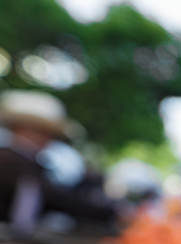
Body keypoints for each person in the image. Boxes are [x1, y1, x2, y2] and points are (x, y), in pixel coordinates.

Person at [0, 90, 116, 234]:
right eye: (43, 132)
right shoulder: (10, 162)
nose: (48, 139)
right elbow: (57, 199)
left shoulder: (30, 164)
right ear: (21, 129)